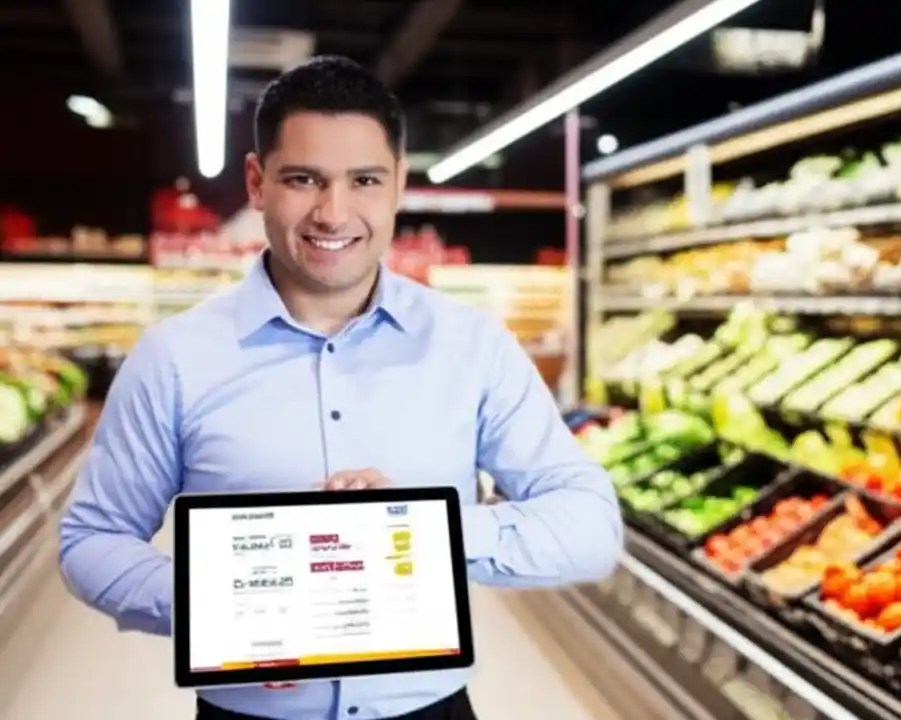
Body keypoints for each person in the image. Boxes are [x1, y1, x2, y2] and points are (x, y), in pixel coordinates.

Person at [58, 55, 623, 720]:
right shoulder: (175, 359)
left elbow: (590, 525)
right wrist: (224, 611)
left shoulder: (471, 347)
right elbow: (92, 539)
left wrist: (419, 536)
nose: (334, 212)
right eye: (304, 179)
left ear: (398, 187)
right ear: (257, 182)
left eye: (364, 180)